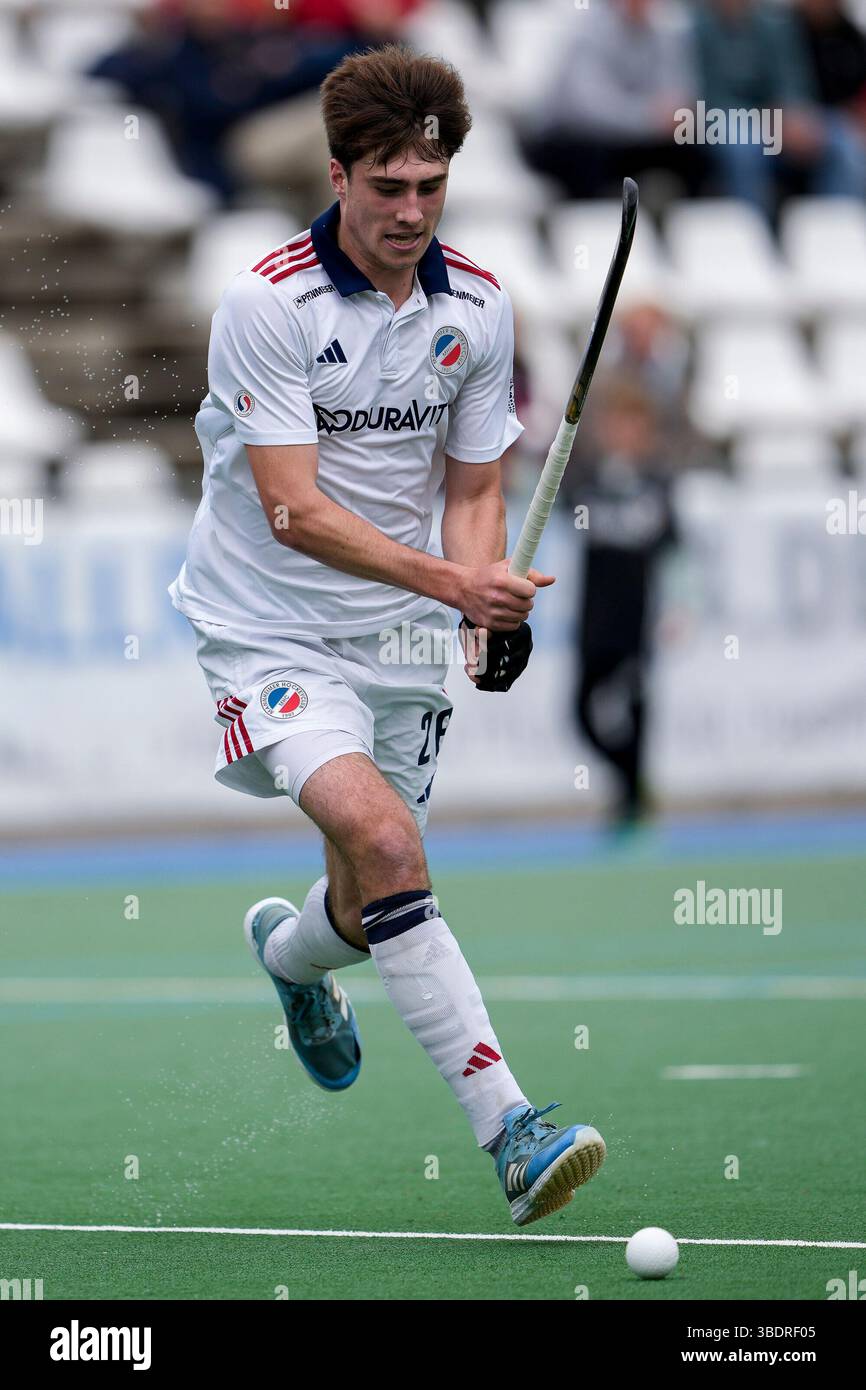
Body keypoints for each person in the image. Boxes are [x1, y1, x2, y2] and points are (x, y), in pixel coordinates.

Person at [169, 45, 606, 1226]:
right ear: (337, 175)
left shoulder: (480, 307)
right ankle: (512, 1128)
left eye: (430, 184)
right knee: (387, 843)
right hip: (268, 631)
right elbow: (292, 509)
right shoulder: (268, 302)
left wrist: (480, 585)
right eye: (386, 186)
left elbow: (471, 485)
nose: (410, 210)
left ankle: (292, 959)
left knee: (368, 899)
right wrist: (453, 582)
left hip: (399, 640)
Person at [566, 376, 677, 827]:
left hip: (636, 622)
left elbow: (675, 546)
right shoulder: (588, 480)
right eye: (618, 424)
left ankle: (632, 799)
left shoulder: (657, 486)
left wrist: (679, 607)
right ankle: (631, 785)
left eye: (634, 425)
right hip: (594, 621)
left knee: (636, 709)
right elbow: (551, 502)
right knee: (581, 712)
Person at [520, 0, 702, 200]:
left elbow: (678, 92)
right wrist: (649, 117)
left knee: (693, 152)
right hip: (566, 139)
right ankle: (597, 215)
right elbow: (589, 108)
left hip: (626, 140)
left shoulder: (665, 33)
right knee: (590, 157)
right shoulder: (586, 31)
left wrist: (668, 113)